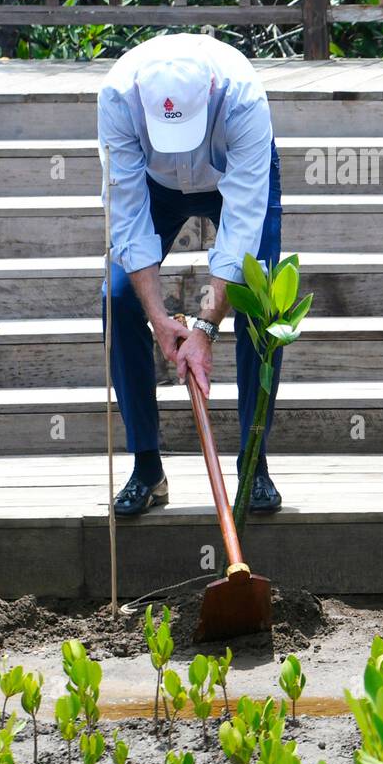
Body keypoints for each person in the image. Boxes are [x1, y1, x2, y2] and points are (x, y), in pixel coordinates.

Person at [98, 32, 285, 516]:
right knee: (117, 298)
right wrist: (160, 319)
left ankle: (253, 461)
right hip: (155, 185)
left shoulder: (243, 98)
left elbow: (241, 232)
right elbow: (127, 216)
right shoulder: (118, 97)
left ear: (212, 90)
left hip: (232, 178)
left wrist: (204, 328)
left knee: (261, 300)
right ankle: (146, 465)